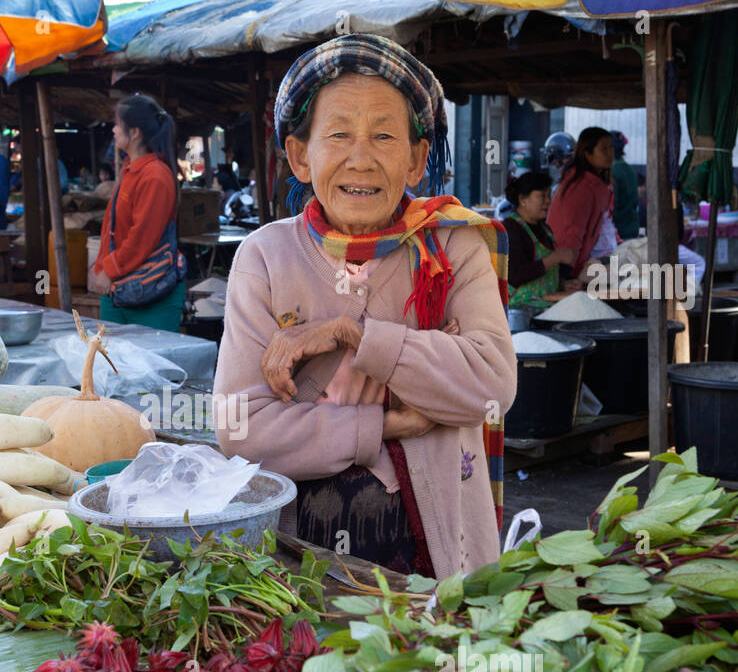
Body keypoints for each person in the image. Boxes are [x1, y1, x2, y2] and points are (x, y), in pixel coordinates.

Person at [213, 34, 516, 577]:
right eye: (339, 134)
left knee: (437, 656)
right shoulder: (265, 257)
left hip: (443, 547)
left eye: (383, 135)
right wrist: (384, 424)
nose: (361, 158)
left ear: (417, 159)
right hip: (299, 552)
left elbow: (491, 386)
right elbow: (242, 431)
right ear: (301, 156)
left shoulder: (453, 246)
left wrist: (351, 335)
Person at [92, 94, 185, 332]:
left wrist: (109, 269)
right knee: (113, 366)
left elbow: (142, 237)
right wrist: (103, 268)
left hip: (152, 294)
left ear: (134, 132)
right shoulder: (130, 170)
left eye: (117, 124)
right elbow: (113, 230)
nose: (113, 130)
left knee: (151, 367)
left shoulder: (155, 175)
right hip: (120, 288)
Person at [547, 126, 616, 288]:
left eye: (611, 148)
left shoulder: (595, 184)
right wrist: (565, 273)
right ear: (587, 153)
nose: (610, 154)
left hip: (582, 260)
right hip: (571, 262)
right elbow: (573, 231)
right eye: (603, 149)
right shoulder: (581, 187)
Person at [502, 171, 575, 310]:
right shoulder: (510, 229)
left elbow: (547, 274)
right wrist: (556, 257)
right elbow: (516, 275)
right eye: (542, 196)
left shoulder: (545, 229)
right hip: (520, 312)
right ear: (523, 199)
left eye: (549, 196)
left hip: (547, 308)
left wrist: (563, 283)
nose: (548, 201)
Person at [611, 131, 641, 241]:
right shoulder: (631, 170)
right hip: (632, 229)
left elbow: (612, 206)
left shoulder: (612, 172)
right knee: (627, 258)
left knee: (615, 258)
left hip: (617, 234)